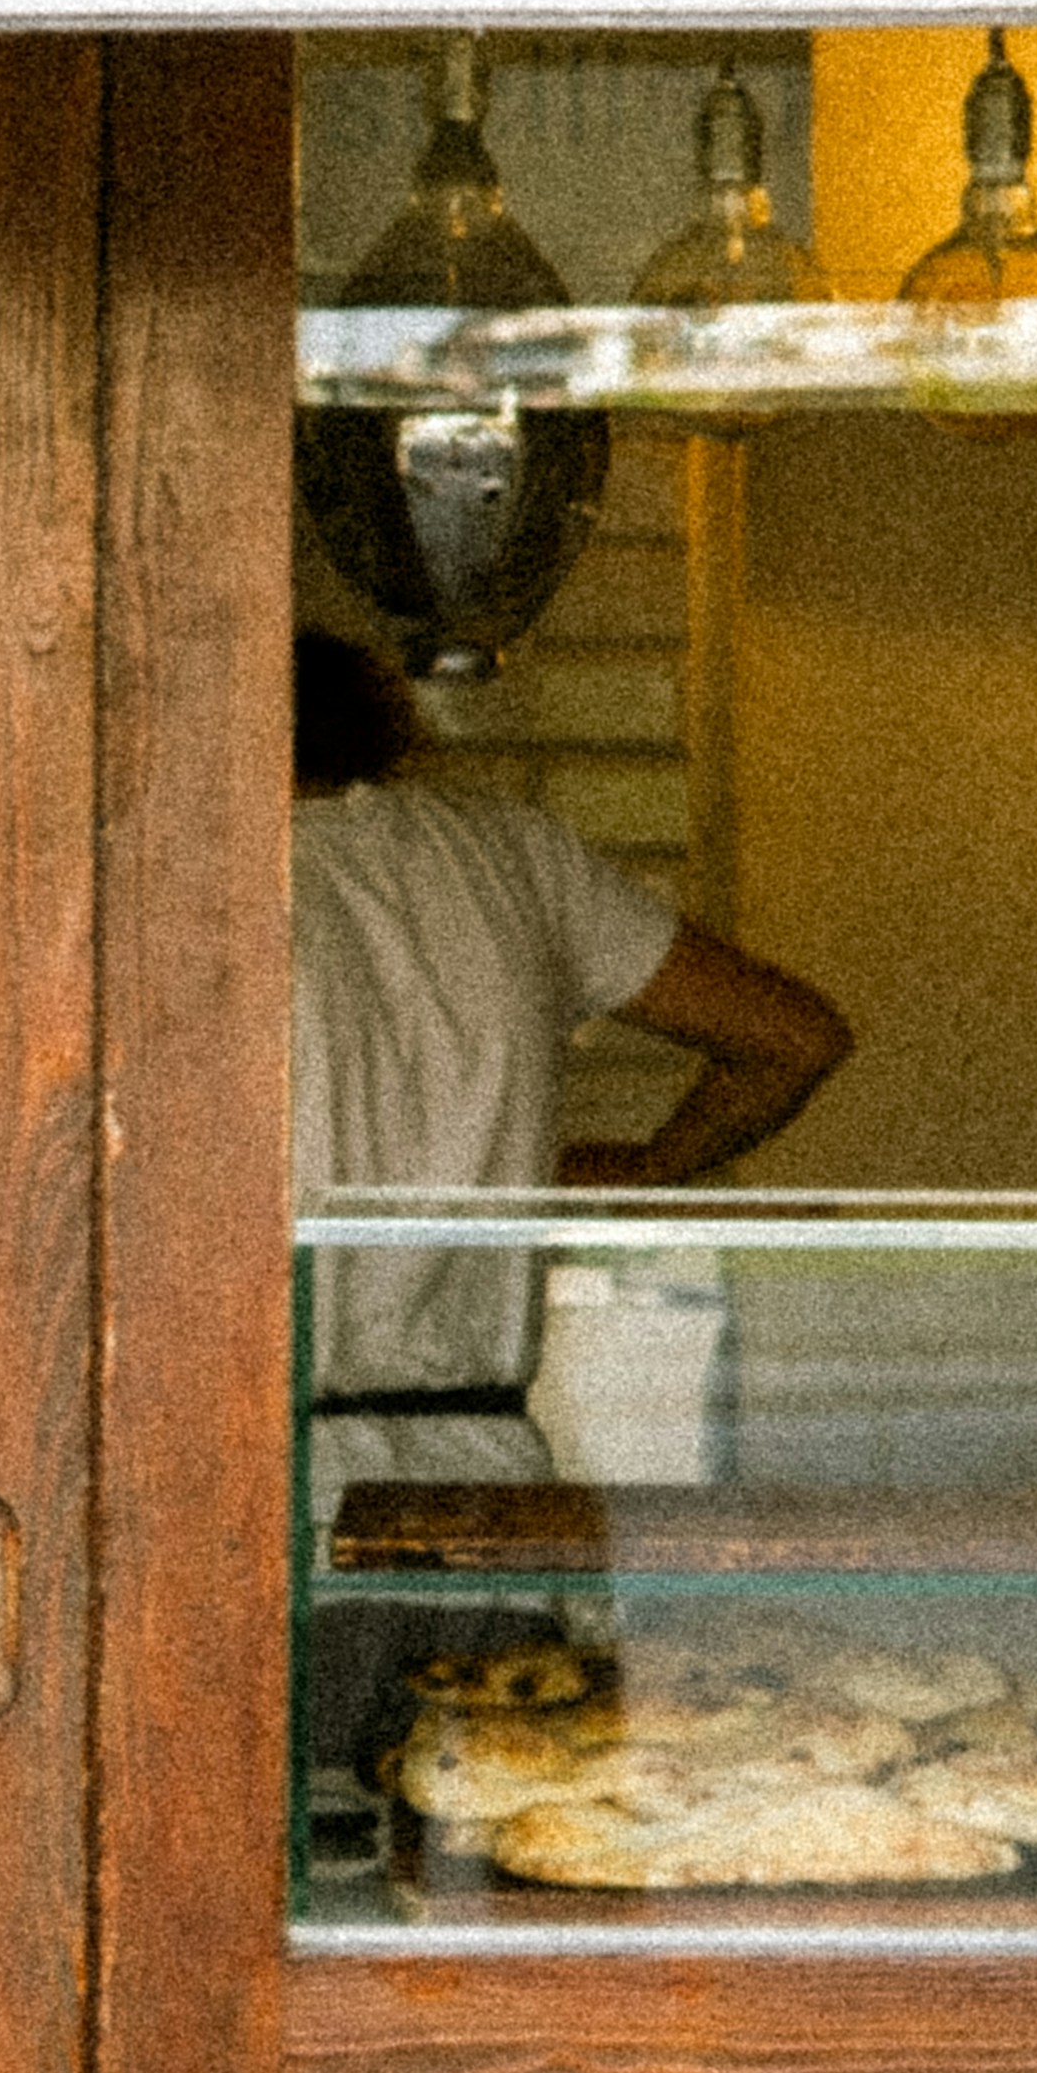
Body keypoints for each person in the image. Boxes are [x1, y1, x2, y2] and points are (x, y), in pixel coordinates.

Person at [292, 625, 848, 1469]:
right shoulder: (514, 854)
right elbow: (793, 1039)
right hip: (486, 1479)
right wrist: (656, 1166)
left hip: (261, 1481)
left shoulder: (188, 883)